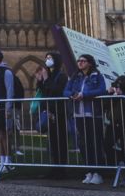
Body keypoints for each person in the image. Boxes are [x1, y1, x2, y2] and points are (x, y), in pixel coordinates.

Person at [64, 53, 107, 185]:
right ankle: (89, 171)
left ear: (90, 63)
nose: (80, 63)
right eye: (79, 61)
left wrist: (84, 95)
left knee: (95, 143)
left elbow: (101, 90)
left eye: (83, 61)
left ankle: (98, 172)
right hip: (79, 114)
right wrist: (73, 95)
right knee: (83, 144)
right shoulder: (75, 77)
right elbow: (65, 91)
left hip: (93, 114)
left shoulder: (97, 76)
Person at [0, 49, 23, 168]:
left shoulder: (6, 72)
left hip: (3, 108)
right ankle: (1, 160)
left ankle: (8, 160)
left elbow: (10, 91)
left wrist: (8, 108)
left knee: (5, 134)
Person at [37, 52, 70, 179]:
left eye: (50, 58)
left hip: (59, 112)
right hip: (50, 111)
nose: (47, 60)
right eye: (46, 58)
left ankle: (62, 169)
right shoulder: (50, 75)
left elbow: (56, 91)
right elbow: (45, 91)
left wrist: (45, 79)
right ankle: (55, 167)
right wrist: (40, 81)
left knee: (60, 140)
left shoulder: (61, 76)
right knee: (52, 141)